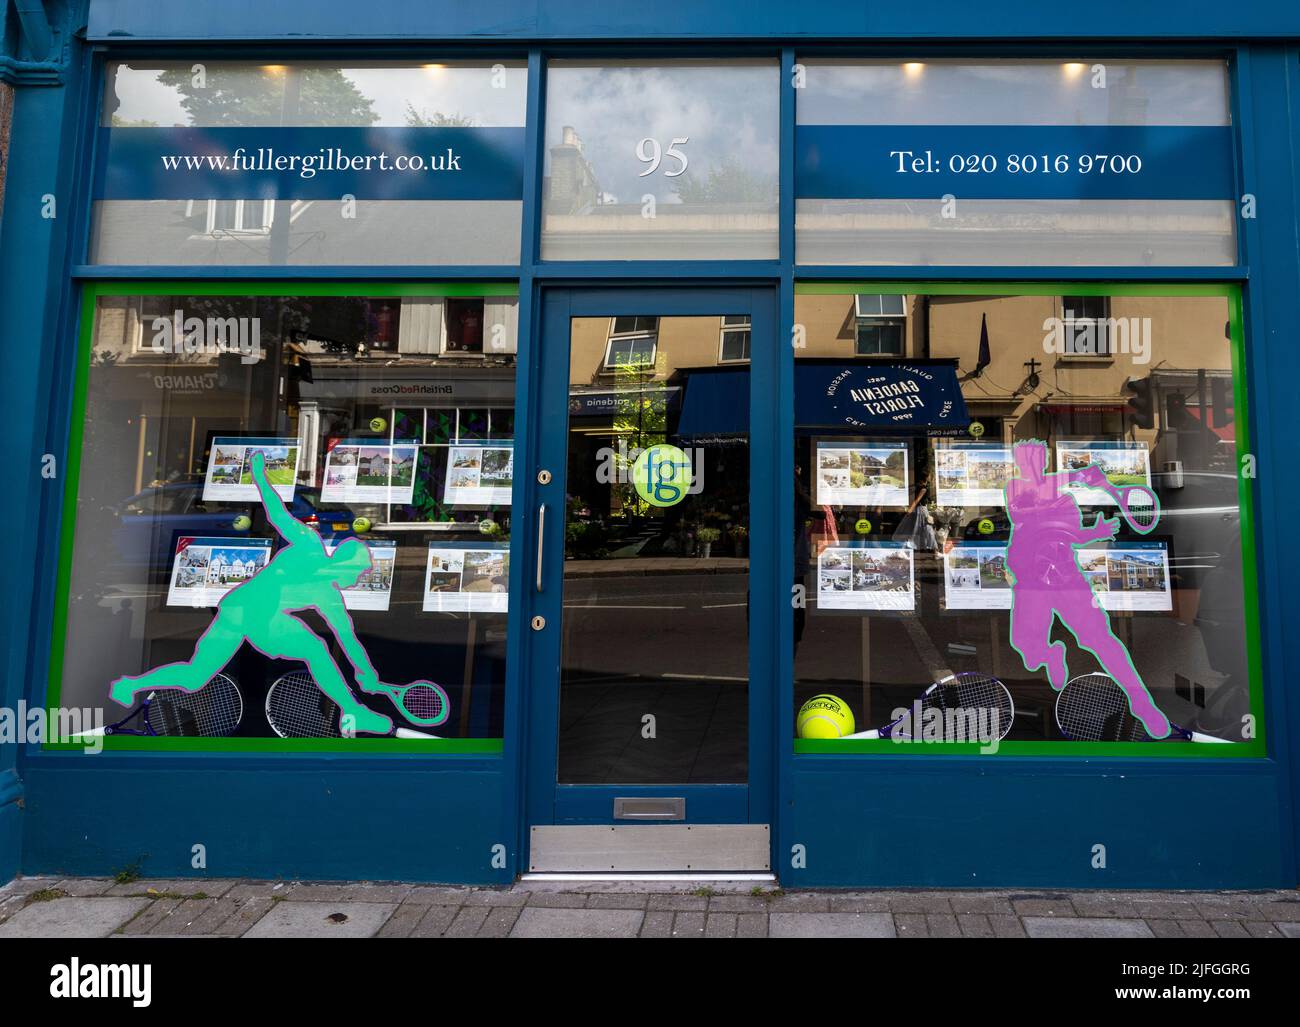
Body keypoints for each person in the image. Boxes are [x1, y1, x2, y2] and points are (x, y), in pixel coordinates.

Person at [110, 451, 393, 735]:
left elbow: (347, 637)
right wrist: (259, 476)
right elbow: (277, 514)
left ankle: (131, 685)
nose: (360, 578)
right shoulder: (309, 547)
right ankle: (130, 686)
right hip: (250, 613)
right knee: (200, 676)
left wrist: (364, 670)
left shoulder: (327, 592)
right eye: (359, 572)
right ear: (343, 564)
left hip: (241, 611)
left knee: (200, 675)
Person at [1005, 439, 1171, 738]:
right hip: (1030, 584)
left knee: (1102, 640)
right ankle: (1050, 655)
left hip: (1067, 580)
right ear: (1019, 463)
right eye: (1025, 458)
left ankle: (1142, 703)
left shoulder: (1066, 500)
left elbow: (1072, 534)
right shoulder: (1016, 488)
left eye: (1036, 457)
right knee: (1027, 651)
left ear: (1043, 459)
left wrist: (1096, 532)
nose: (1030, 463)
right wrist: (1079, 476)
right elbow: (1024, 513)